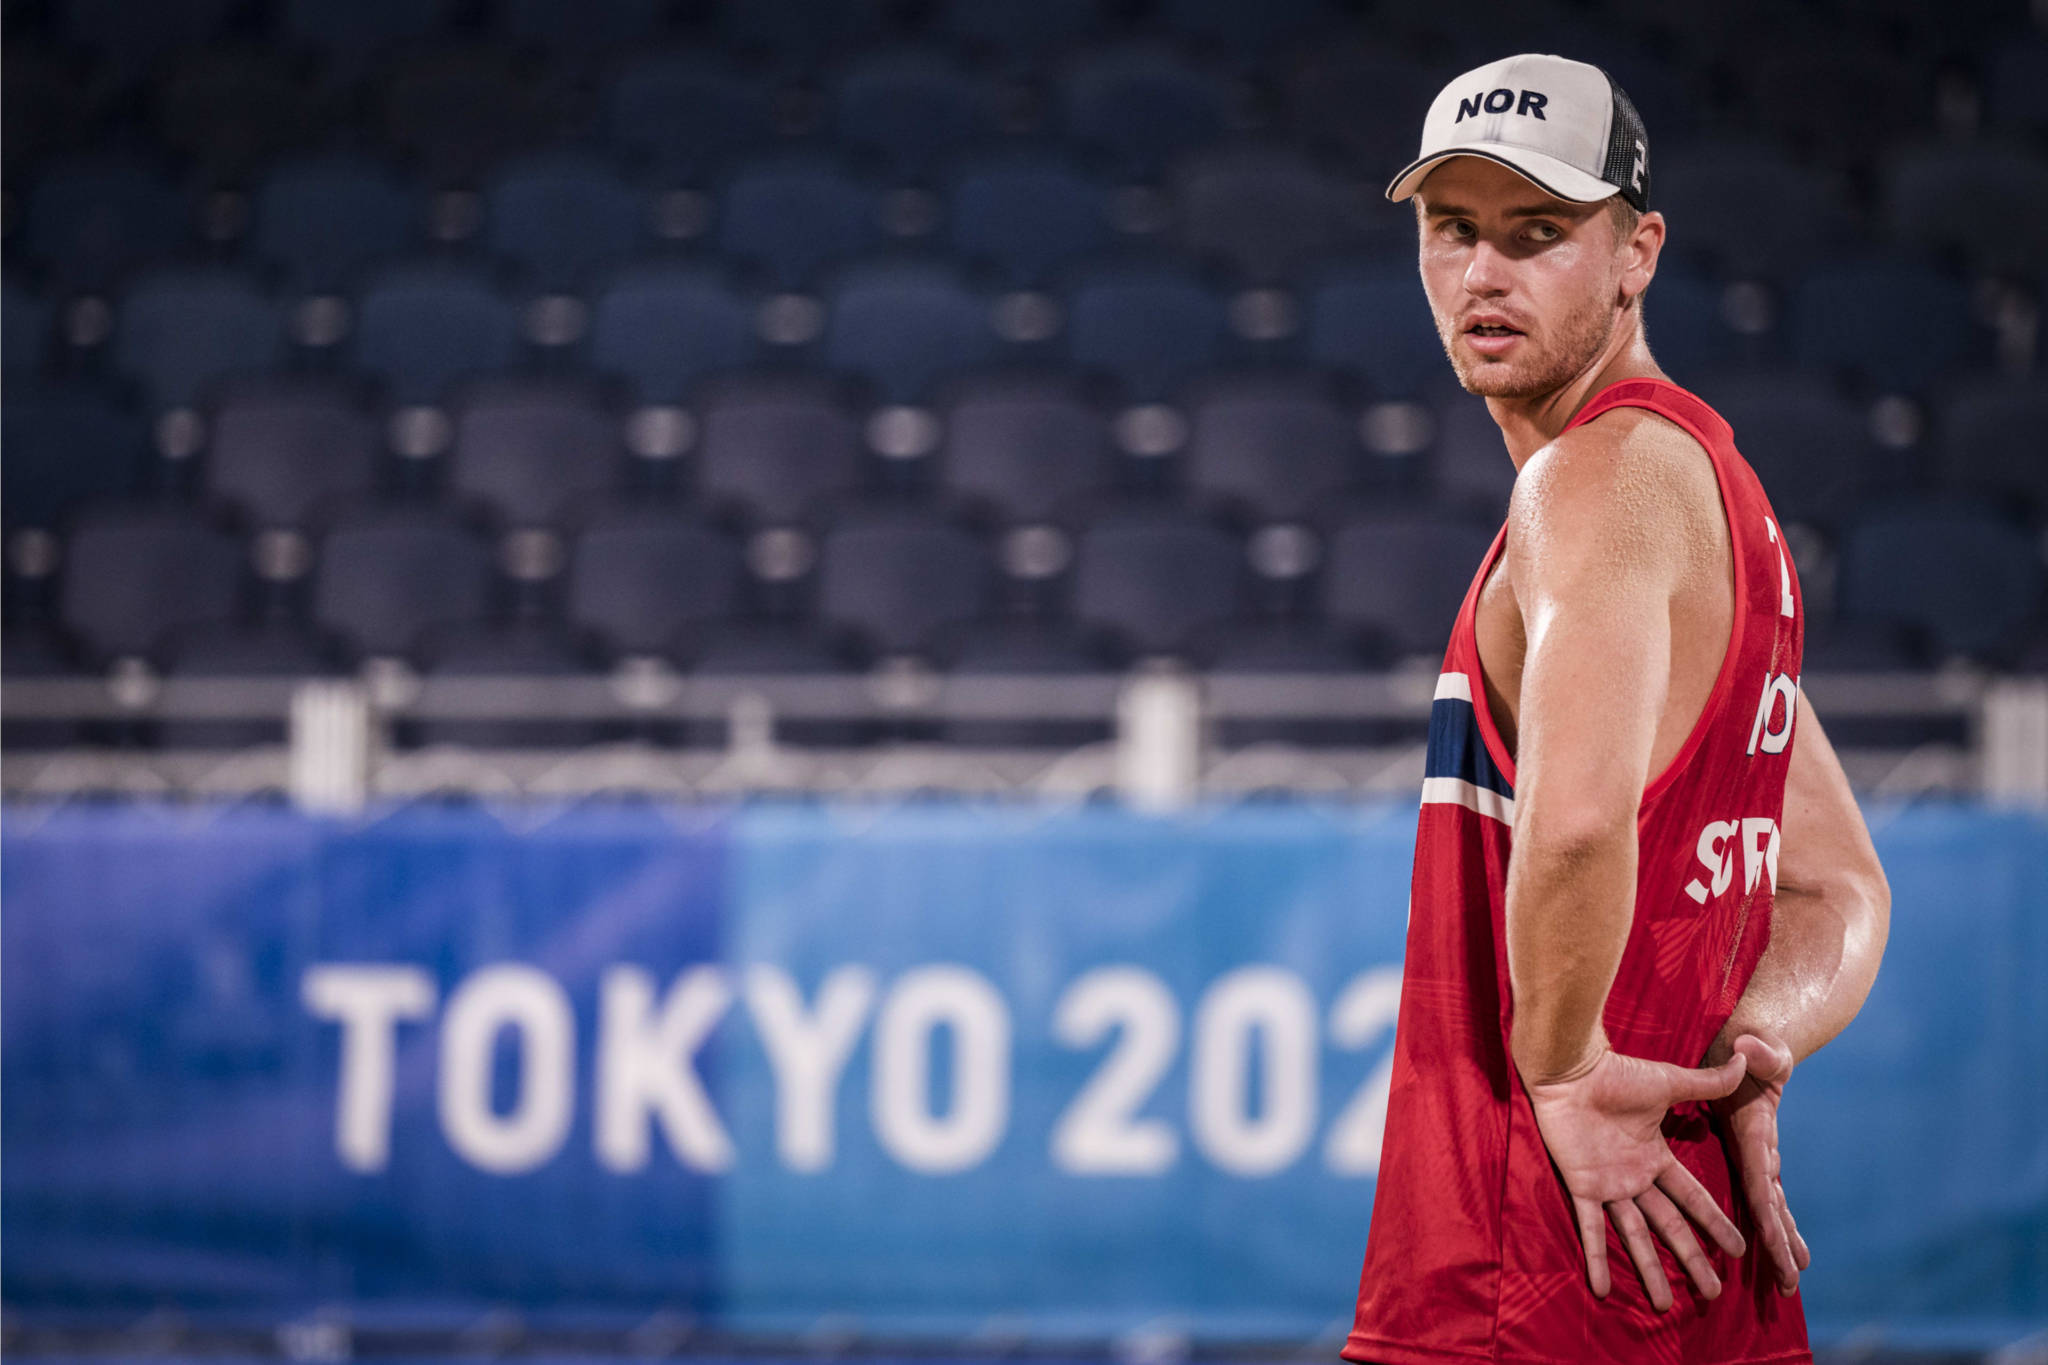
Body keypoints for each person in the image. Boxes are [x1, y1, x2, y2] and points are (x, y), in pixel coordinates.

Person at [1341, 54, 1891, 1365]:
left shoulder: (1591, 482)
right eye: (1453, 229)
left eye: (1538, 234)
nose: (1484, 273)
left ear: (1638, 251)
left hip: (1547, 1253)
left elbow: (1580, 827)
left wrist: (1571, 1078)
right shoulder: (1714, 496)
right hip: (1688, 1244)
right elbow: (1839, 891)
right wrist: (1750, 1052)